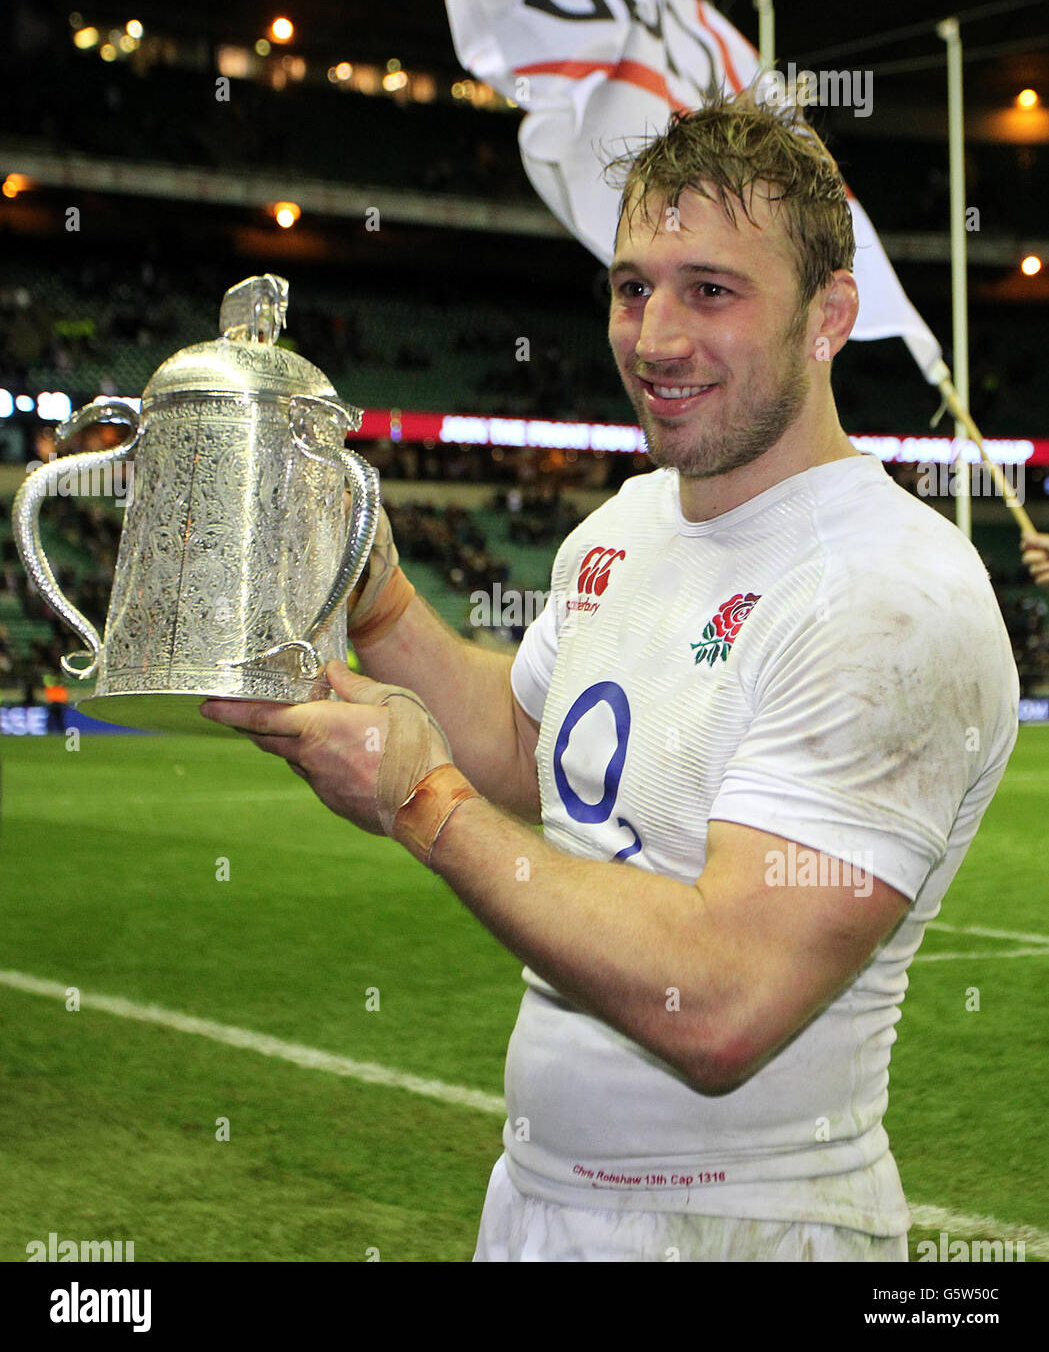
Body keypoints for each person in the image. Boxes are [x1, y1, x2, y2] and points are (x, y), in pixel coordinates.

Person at [201, 92, 1019, 1262]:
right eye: (632, 286)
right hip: (542, 1197)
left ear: (827, 316)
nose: (654, 337)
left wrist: (421, 802)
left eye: (711, 290)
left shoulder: (890, 595)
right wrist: (375, 596)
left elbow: (725, 998)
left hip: (746, 1224)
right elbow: (534, 748)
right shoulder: (626, 523)